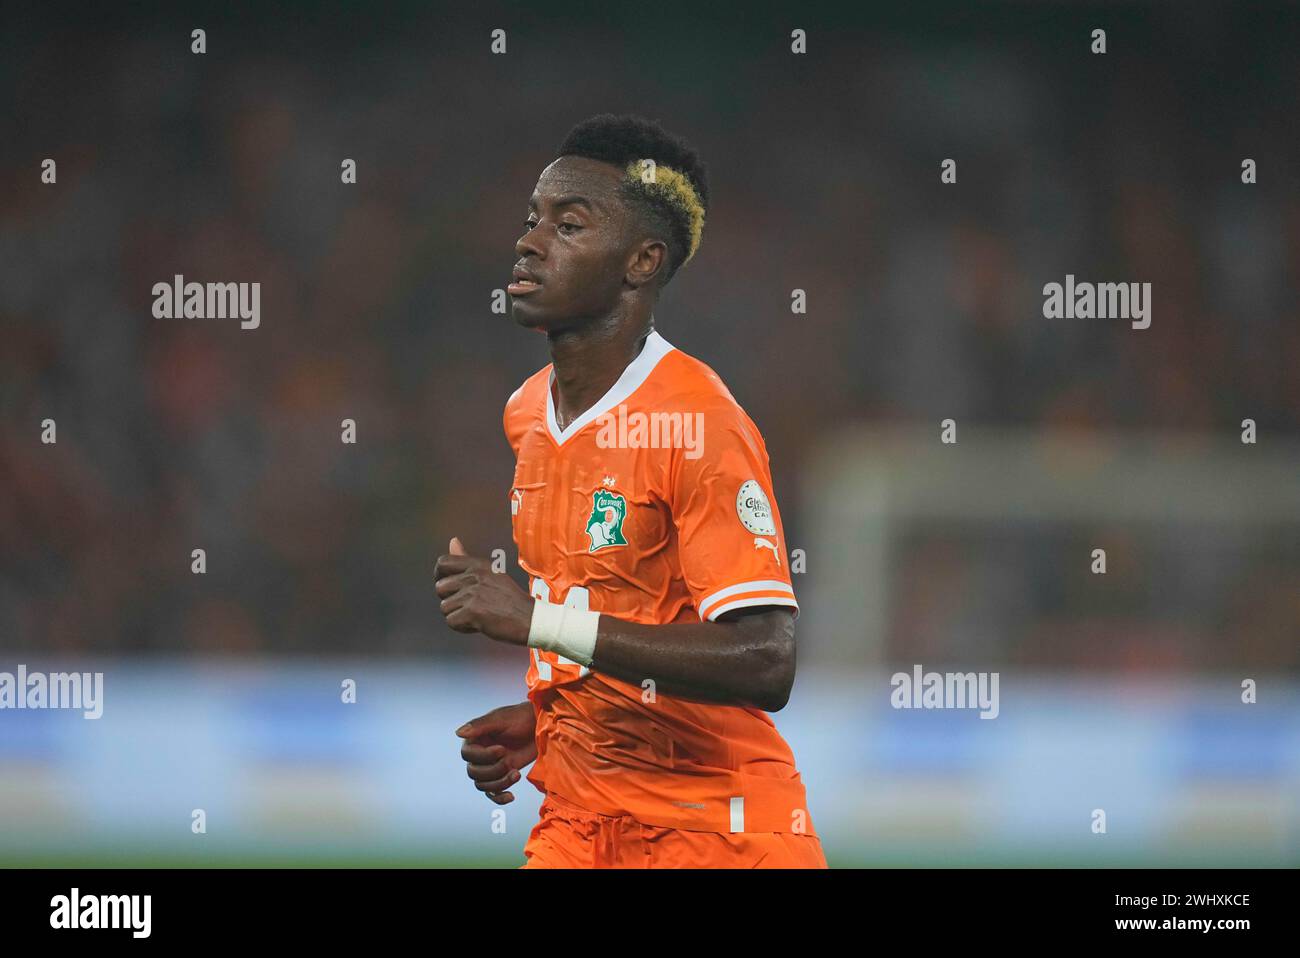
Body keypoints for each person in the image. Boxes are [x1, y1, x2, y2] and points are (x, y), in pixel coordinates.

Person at [434, 113, 825, 868]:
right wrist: (547, 718)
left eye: (569, 226)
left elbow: (765, 660)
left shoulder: (700, 423)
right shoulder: (527, 414)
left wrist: (537, 622)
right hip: (577, 824)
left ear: (641, 261)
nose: (529, 242)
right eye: (531, 220)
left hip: (715, 833)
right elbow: (612, 610)